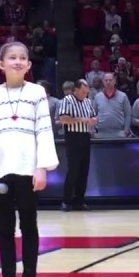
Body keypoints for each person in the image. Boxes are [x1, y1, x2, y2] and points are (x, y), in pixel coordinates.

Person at [0, 41, 58, 277]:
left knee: (29, 226)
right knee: (4, 228)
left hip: (28, 170)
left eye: (23, 58)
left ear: (29, 64)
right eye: (12, 58)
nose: (17, 61)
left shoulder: (37, 93)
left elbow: (44, 131)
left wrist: (42, 167)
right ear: (1, 64)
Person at [57, 78, 97, 212]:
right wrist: (83, 119)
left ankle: (79, 200)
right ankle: (66, 201)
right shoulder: (67, 100)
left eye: (87, 92)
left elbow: (93, 116)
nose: (86, 94)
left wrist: (93, 120)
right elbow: (63, 119)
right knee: (73, 169)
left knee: (84, 170)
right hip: (73, 137)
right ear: (76, 90)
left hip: (85, 136)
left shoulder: (88, 102)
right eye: (84, 92)